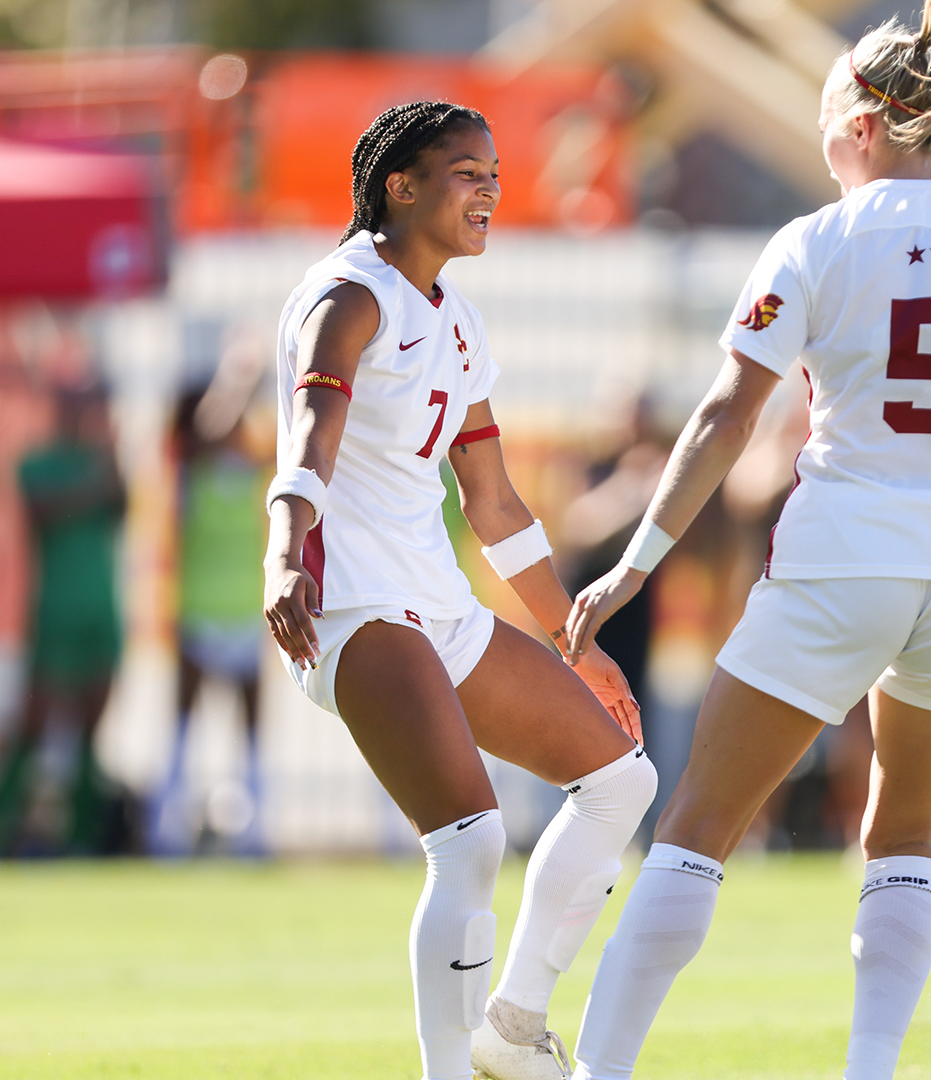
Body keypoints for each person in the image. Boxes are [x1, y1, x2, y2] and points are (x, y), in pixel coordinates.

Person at [561, 3, 931, 1076]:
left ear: (865, 122)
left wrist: (636, 561)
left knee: (695, 827)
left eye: (830, 115)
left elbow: (725, 416)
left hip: (840, 555)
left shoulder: (814, 239)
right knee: (904, 838)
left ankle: (600, 1072)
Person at [260, 101, 656, 1080]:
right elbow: (307, 441)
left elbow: (493, 502)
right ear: (401, 185)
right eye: (466, 173)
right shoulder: (347, 294)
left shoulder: (461, 319)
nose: (490, 191)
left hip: (439, 604)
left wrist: (576, 639)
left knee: (622, 781)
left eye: (492, 174)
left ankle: (511, 1029)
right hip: (356, 608)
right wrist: (283, 549)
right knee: (472, 841)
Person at [0, 383, 127, 856]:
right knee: (32, 731)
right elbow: (45, 513)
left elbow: (122, 505)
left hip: (101, 612)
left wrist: (107, 462)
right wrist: (94, 478)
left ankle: (82, 839)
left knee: (90, 735)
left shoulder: (106, 460)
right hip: (54, 613)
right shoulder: (36, 464)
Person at [150, 382, 272, 857]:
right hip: (198, 614)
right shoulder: (188, 473)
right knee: (182, 726)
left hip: (245, 613)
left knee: (253, 731)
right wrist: (238, 376)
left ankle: (253, 833)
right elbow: (209, 432)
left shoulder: (255, 474)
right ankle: (168, 831)